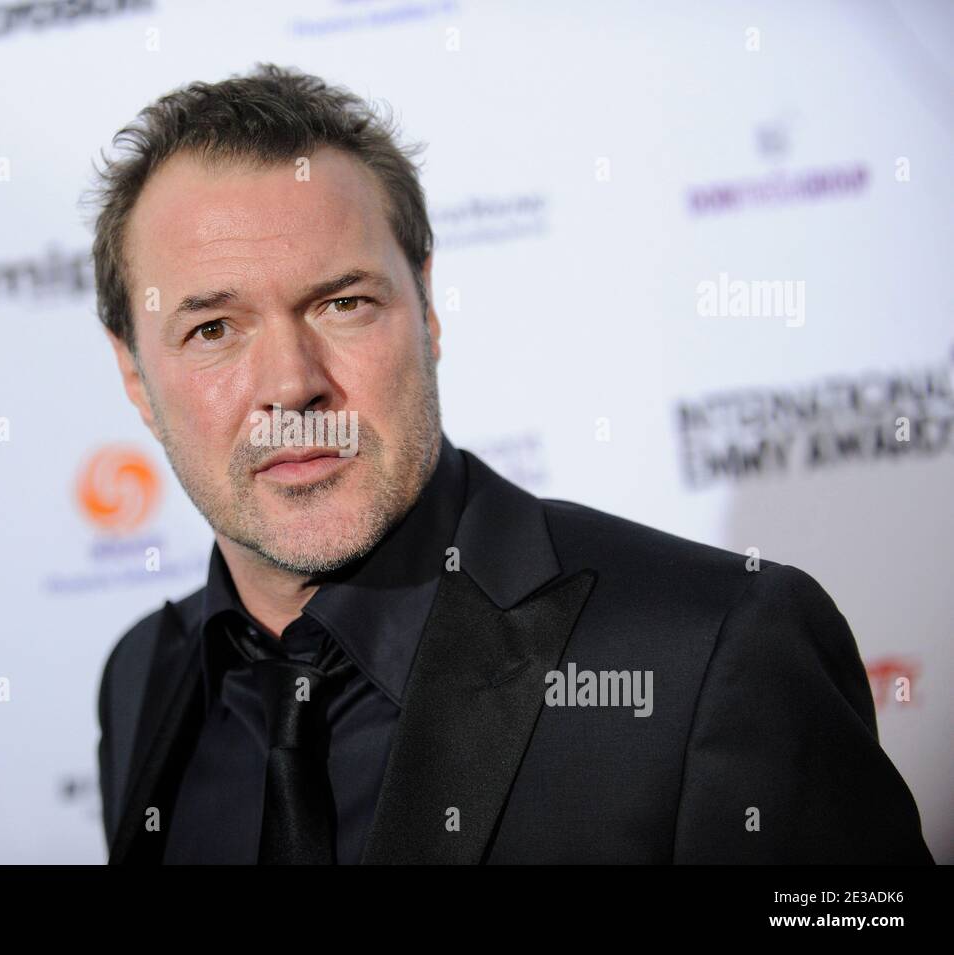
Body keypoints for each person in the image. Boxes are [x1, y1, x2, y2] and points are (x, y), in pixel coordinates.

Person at [85, 63, 933, 864]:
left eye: (343, 303)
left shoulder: (714, 648)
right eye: (212, 330)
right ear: (134, 377)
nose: (292, 386)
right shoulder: (142, 678)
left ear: (427, 307)